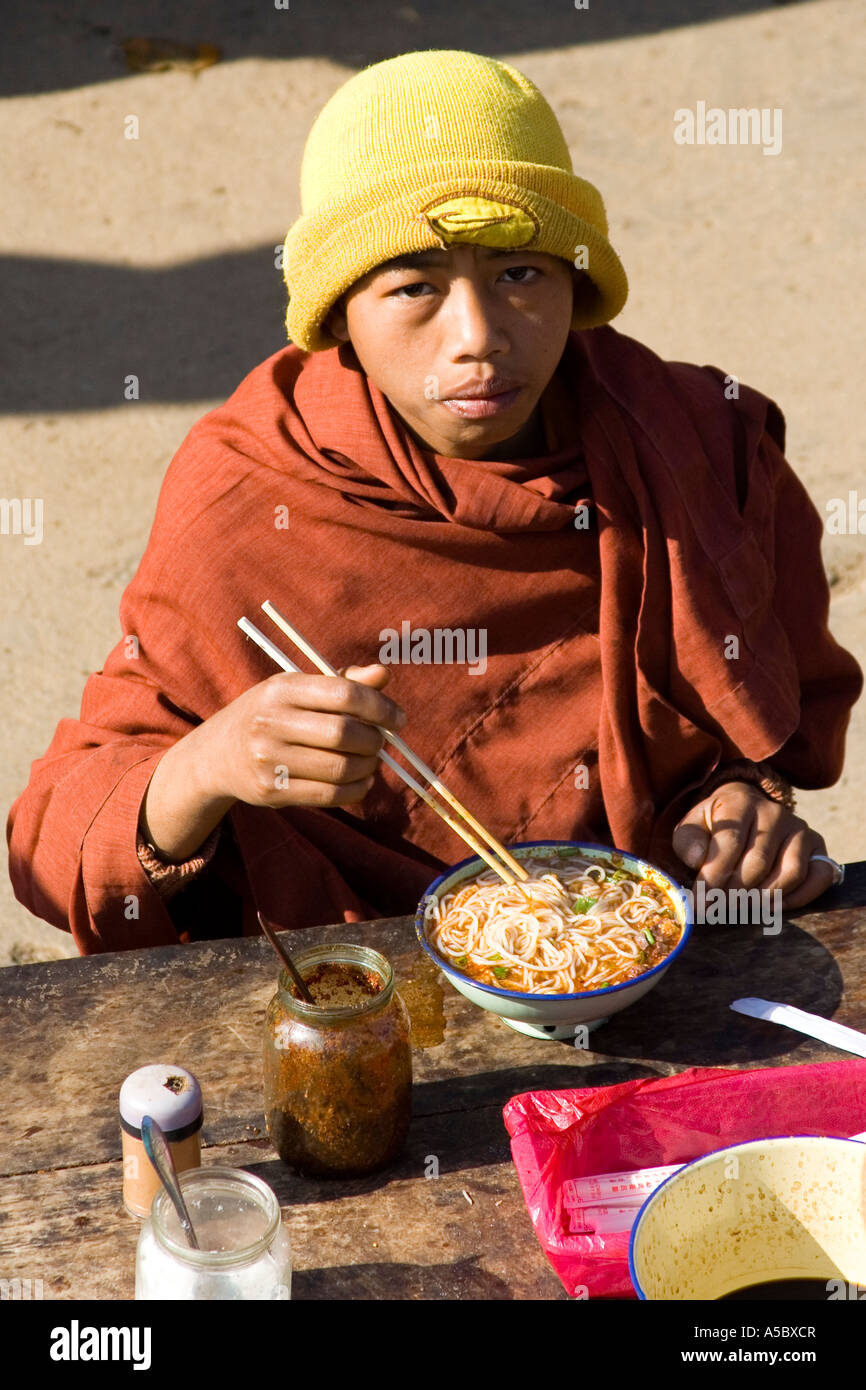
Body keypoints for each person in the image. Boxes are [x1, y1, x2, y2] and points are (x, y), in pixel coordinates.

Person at [7, 49, 861, 955]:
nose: (478, 337)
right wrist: (209, 763)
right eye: (414, 287)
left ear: (576, 282)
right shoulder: (250, 498)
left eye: (520, 274)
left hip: (631, 951)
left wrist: (740, 808)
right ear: (338, 313)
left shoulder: (693, 441)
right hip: (356, 986)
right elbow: (49, 842)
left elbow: (759, 726)